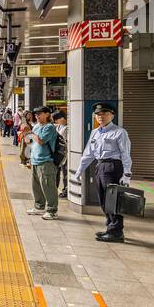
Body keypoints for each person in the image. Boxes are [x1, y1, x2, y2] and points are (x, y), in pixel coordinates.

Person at [76, 102, 133, 242]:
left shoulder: (119, 132)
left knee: (113, 200)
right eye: (98, 114)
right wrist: (79, 170)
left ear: (112, 115)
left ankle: (116, 232)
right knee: (103, 200)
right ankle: (110, 227)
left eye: (104, 114)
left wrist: (127, 174)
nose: (100, 117)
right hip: (100, 166)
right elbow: (88, 153)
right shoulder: (95, 132)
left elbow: (126, 154)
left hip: (113, 167)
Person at [23, 106, 60, 220]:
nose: (37, 116)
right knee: (36, 186)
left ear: (47, 114)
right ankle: (39, 207)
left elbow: (41, 141)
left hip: (46, 161)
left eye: (40, 114)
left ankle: (52, 210)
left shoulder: (49, 127)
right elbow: (29, 142)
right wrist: (26, 134)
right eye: (36, 114)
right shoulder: (37, 126)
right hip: (35, 160)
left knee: (48, 186)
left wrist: (30, 132)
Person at [53, 110, 69, 198]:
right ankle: (58, 189)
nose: (55, 122)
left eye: (56, 120)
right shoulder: (59, 126)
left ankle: (66, 190)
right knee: (58, 172)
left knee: (65, 173)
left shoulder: (67, 128)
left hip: (65, 154)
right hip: (58, 153)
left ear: (62, 118)